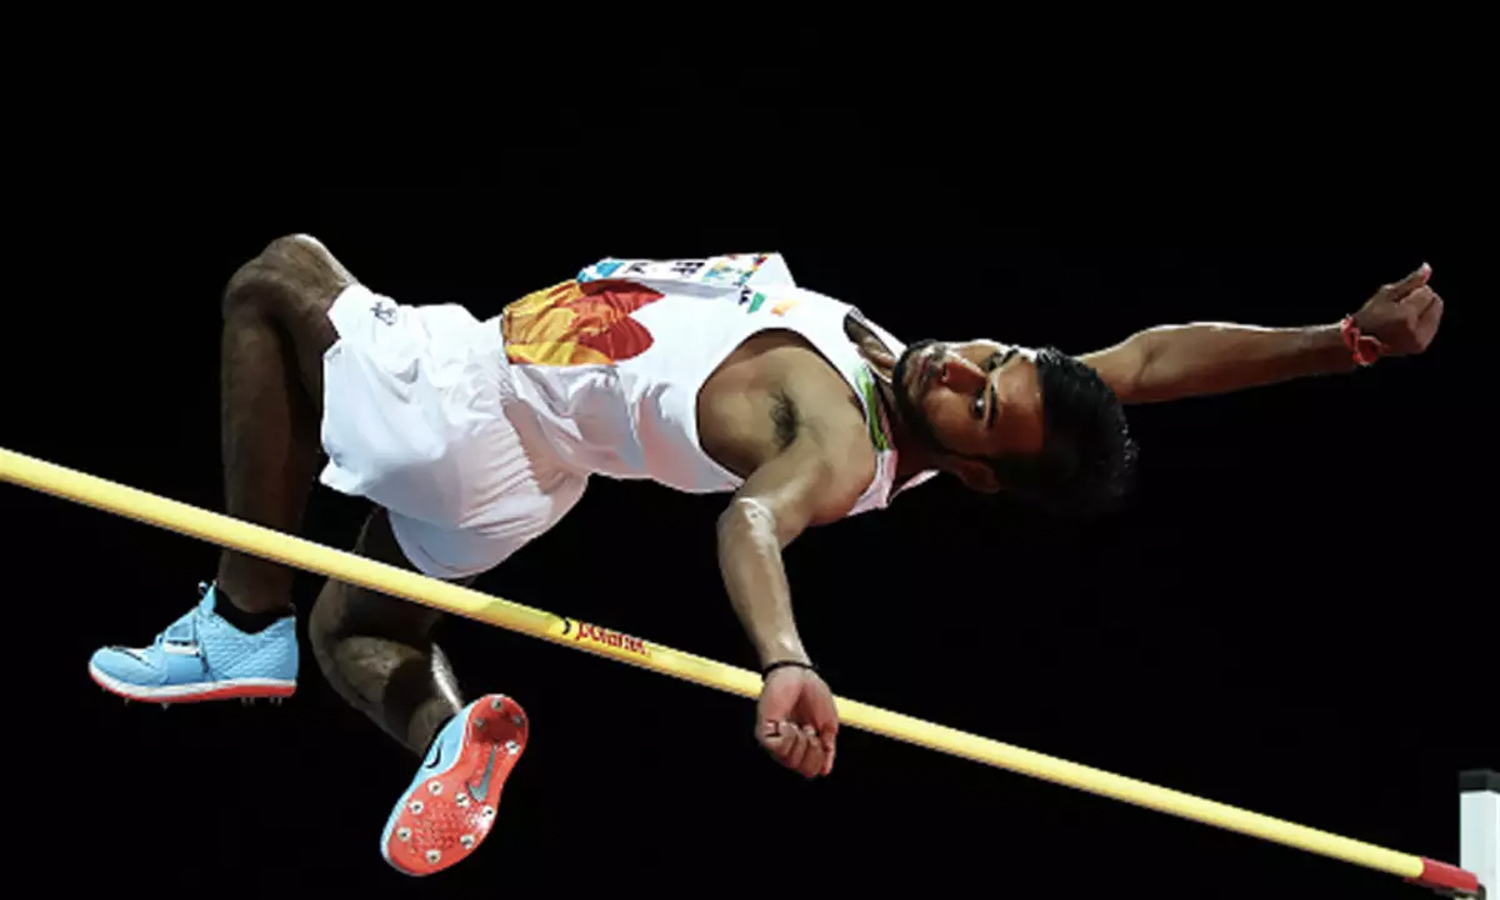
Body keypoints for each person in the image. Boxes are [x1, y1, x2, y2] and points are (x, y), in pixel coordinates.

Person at [87, 238, 1444, 876]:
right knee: (362, 628)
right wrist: (1344, 341)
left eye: (982, 400)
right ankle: (445, 736)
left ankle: (236, 610)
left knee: (276, 281)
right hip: (529, 469)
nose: (970, 363)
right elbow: (1145, 360)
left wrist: (784, 659)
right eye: (1006, 360)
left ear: (966, 469)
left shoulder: (838, 441)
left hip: (479, 398)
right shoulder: (931, 384)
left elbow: (750, 519)